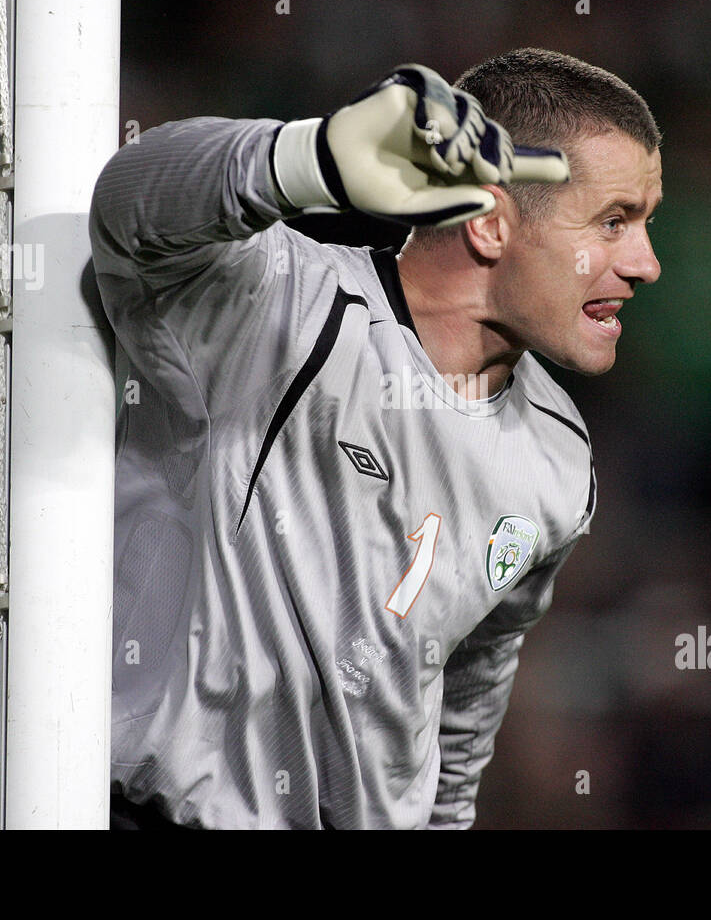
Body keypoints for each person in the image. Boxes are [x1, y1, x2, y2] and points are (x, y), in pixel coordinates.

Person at [90, 47, 662, 829]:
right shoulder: (282, 306)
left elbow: (465, 701)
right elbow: (129, 203)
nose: (647, 264)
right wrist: (311, 158)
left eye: (645, 223)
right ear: (493, 224)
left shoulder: (560, 461)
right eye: (614, 221)